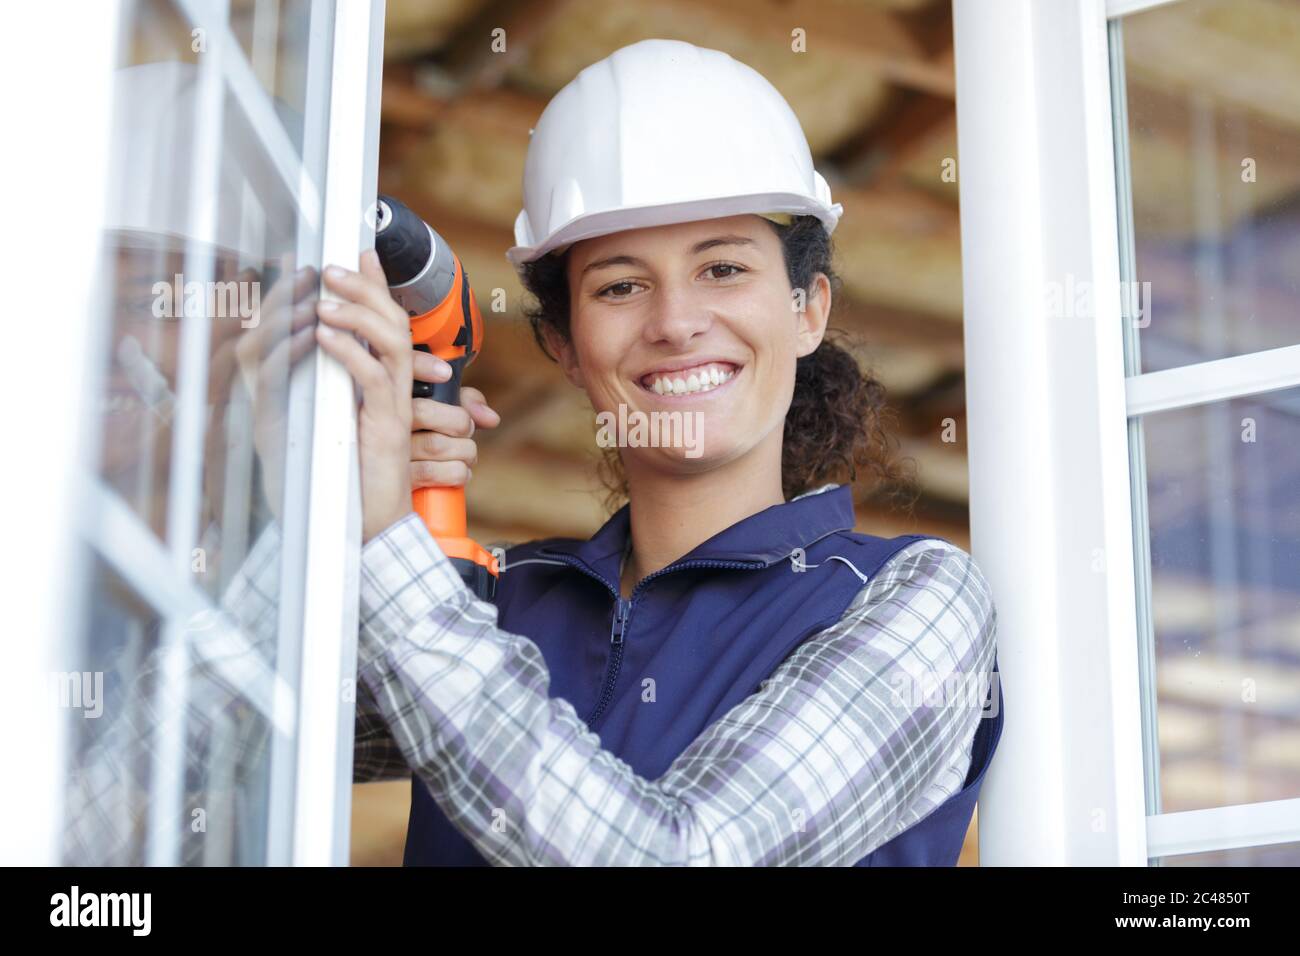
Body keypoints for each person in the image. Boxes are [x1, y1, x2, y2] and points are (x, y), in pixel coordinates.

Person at [312, 37, 1004, 866]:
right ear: (564, 346)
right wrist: (329, 501)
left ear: (808, 311)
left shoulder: (913, 598)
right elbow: (197, 753)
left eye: (721, 268)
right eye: (620, 285)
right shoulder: (492, 606)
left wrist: (392, 549)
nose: (675, 322)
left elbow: (680, 856)